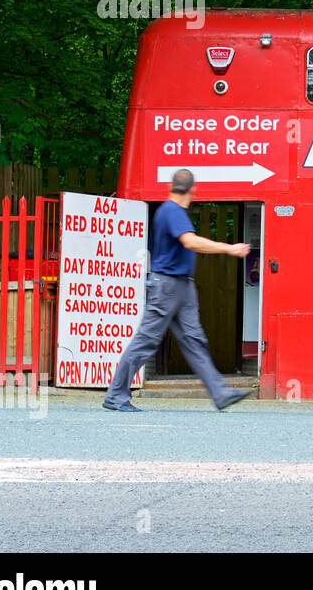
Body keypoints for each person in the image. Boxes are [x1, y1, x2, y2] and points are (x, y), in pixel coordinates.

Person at [104, 169, 253, 412]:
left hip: (181, 286)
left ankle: (221, 393)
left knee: (194, 341)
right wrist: (230, 248)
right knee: (146, 341)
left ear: (172, 187)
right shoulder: (172, 211)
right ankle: (116, 396)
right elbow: (191, 241)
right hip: (168, 286)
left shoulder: (170, 211)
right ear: (193, 191)